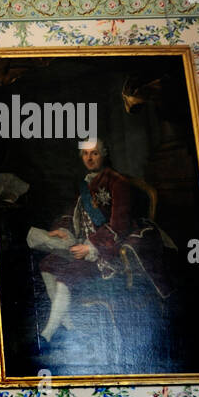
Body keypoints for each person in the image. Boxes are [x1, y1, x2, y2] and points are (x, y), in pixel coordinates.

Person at [37, 138, 170, 345]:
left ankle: (47, 333)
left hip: (109, 251)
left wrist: (91, 246)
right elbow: (73, 213)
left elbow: (120, 225)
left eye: (94, 153)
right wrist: (62, 230)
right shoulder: (85, 183)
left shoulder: (117, 182)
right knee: (46, 265)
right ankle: (68, 323)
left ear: (104, 154)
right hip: (83, 244)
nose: (89, 158)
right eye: (85, 154)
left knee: (66, 275)